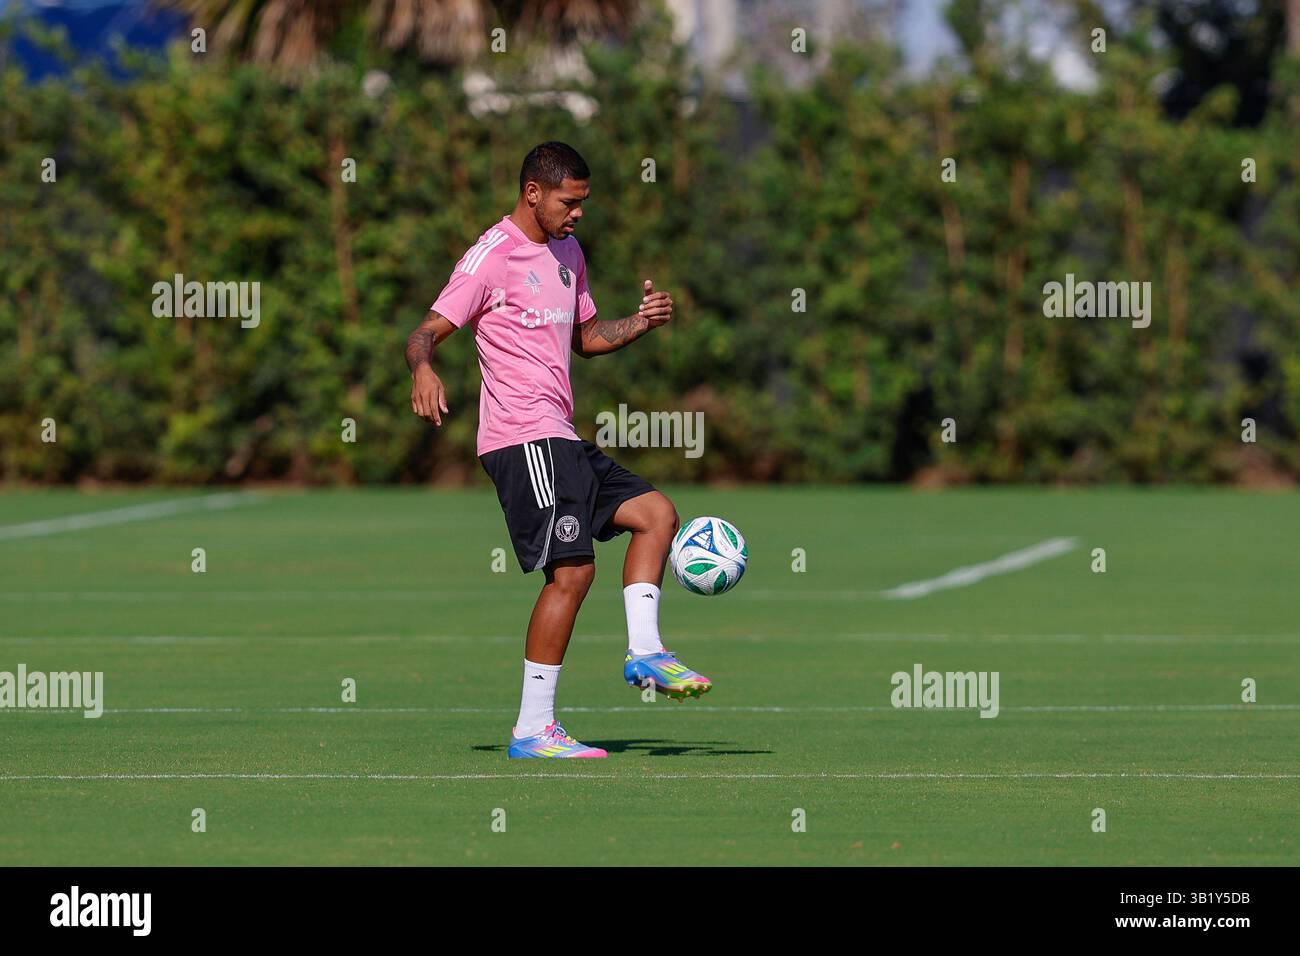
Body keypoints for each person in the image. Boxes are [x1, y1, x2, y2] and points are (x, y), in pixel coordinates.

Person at [405, 142, 712, 758]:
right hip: (521, 439)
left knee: (657, 516)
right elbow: (425, 330)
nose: (577, 214)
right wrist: (423, 369)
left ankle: (647, 652)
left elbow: (587, 338)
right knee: (571, 572)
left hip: (562, 435)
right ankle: (532, 729)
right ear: (534, 193)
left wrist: (641, 323)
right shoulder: (491, 257)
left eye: (583, 203)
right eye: (570, 202)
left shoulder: (569, 252)